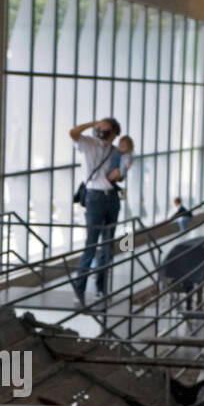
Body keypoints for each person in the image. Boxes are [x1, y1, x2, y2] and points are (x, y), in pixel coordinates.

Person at [68, 117, 122, 301]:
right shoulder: (88, 144)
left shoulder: (115, 151)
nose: (102, 132)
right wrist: (93, 123)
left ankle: (101, 288)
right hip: (94, 197)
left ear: (114, 134)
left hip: (112, 197)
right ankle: (79, 290)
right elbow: (73, 133)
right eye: (100, 128)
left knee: (107, 246)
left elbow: (119, 175)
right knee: (91, 244)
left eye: (106, 130)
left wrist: (118, 176)